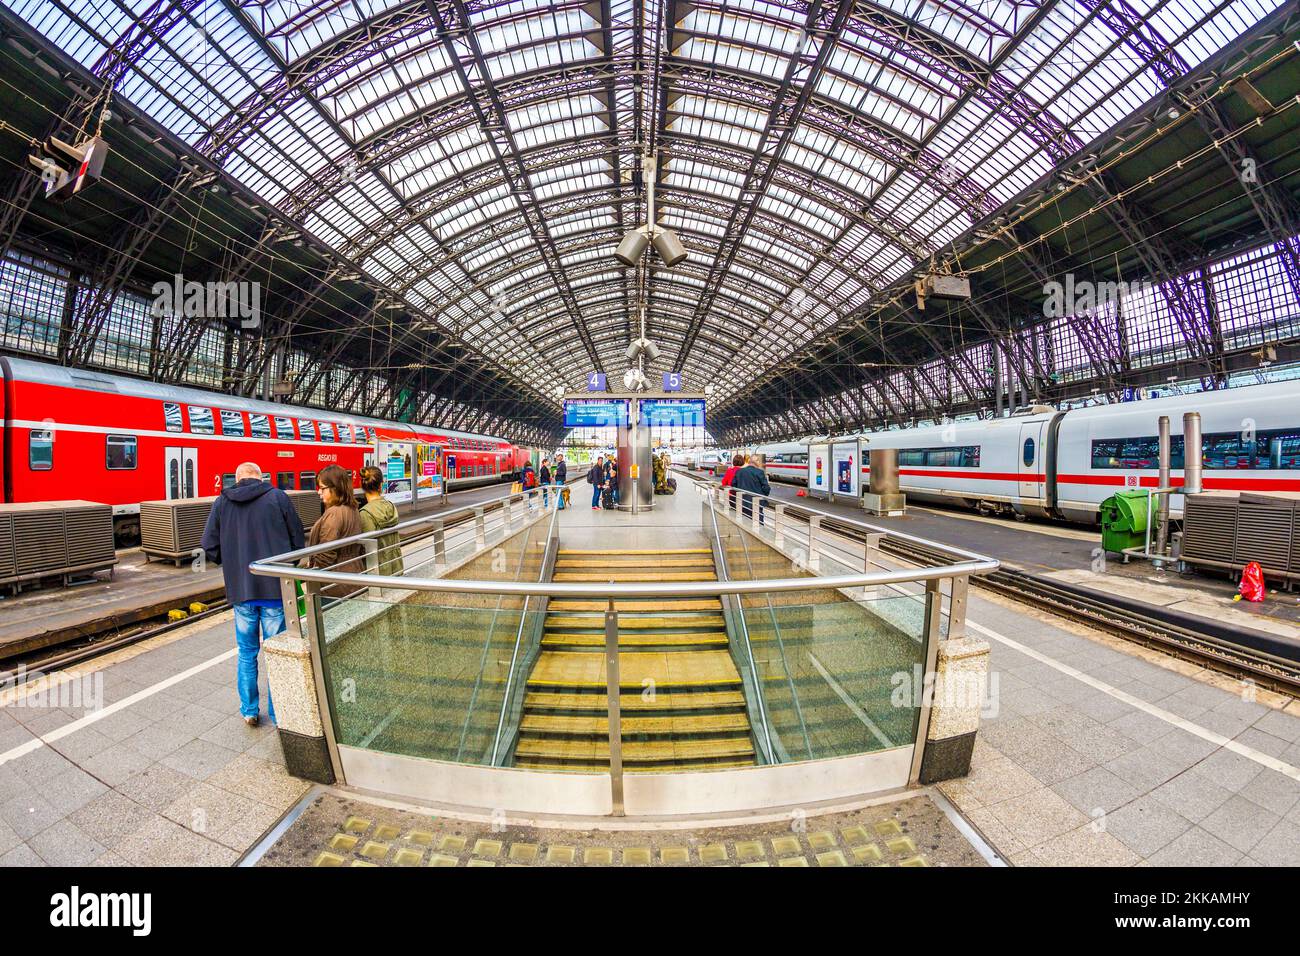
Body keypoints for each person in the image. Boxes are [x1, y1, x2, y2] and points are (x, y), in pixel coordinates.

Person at [200, 461, 305, 728]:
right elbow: (297, 537)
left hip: (242, 592)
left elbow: (208, 544)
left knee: (247, 652)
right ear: (261, 477)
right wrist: (288, 566)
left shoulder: (222, 501)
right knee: (275, 652)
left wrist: (233, 565)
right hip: (274, 590)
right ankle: (278, 712)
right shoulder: (278, 497)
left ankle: (249, 710)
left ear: (237, 479)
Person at [307, 464, 366, 598]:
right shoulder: (353, 509)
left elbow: (326, 553)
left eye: (322, 488)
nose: (319, 492)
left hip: (334, 583)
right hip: (354, 573)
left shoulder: (334, 513)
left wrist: (314, 571)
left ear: (335, 488)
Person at [358, 464, 403, 576]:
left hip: (379, 572)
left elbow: (367, 547)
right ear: (381, 485)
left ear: (362, 486)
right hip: (396, 565)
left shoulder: (365, 513)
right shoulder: (391, 506)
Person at [731, 454, 772, 525]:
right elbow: (766, 487)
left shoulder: (740, 471)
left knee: (744, 522)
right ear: (756, 462)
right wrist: (763, 495)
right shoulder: (760, 472)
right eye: (759, 461)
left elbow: (733, 485)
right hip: (756, 503)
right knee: (758, 524)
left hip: (742, 501)